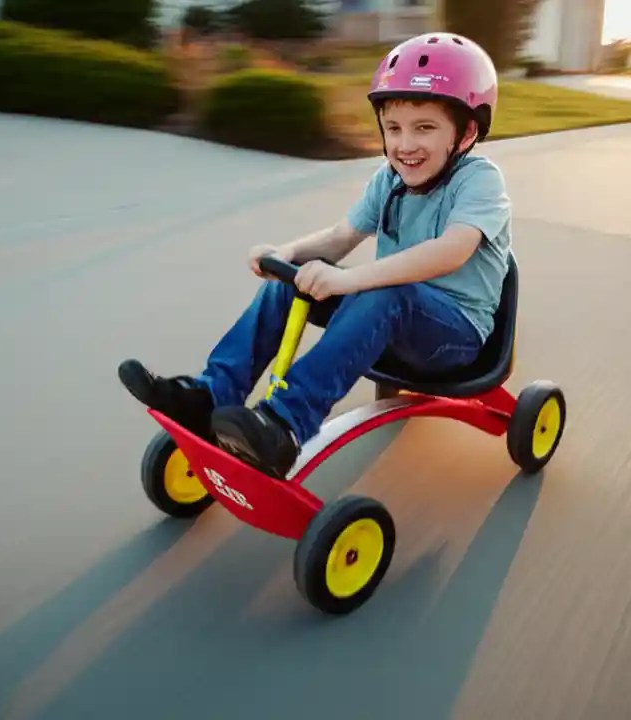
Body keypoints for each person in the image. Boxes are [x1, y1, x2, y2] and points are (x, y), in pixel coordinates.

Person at [118, 32, 514, 480]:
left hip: (455, 338)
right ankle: (211, 394)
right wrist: (287, 252)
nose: (405, 144)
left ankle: (285, 425)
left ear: (464, 133)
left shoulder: (479, 180)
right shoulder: (389, 179)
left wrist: (351, 280)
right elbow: (341, 236)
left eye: (425, 128)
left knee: (386, 293)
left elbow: (452, 251)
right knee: (293, 280)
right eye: (394, 128)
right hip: (392, 313)